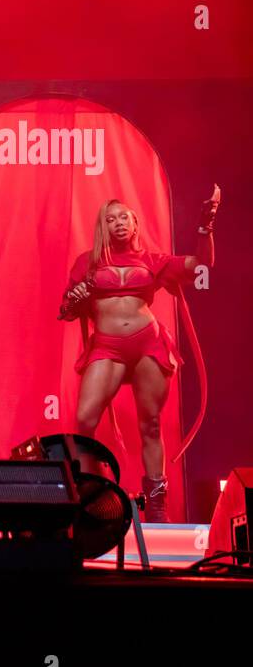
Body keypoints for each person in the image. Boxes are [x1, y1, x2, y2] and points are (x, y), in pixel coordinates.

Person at [59, 186, 220, 521]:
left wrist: (206, 225)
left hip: (148, 342)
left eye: (123, 217)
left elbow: (201, 263)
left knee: (151, 425)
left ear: (134, 223)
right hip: (107, 344)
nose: (118, 223)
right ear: (103, 226)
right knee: (85, 420)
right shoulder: (87, 262)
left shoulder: (152, 260)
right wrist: (76, 297)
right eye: (110, 218)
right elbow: (67, 311)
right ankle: (90, 494)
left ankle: (157, 507)